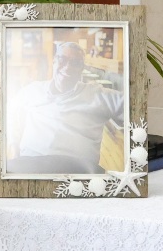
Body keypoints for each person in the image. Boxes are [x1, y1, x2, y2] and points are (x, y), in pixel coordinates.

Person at [8, 42, 126, 175]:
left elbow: (132, 105)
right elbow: (11, 112)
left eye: (75, 63)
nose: (68, 67)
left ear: (81, 68)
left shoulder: (97, 95)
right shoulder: (33, 90)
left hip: (78, 172)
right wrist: (13, 146)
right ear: (54, 61)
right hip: (30, 166)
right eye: (62, 59)